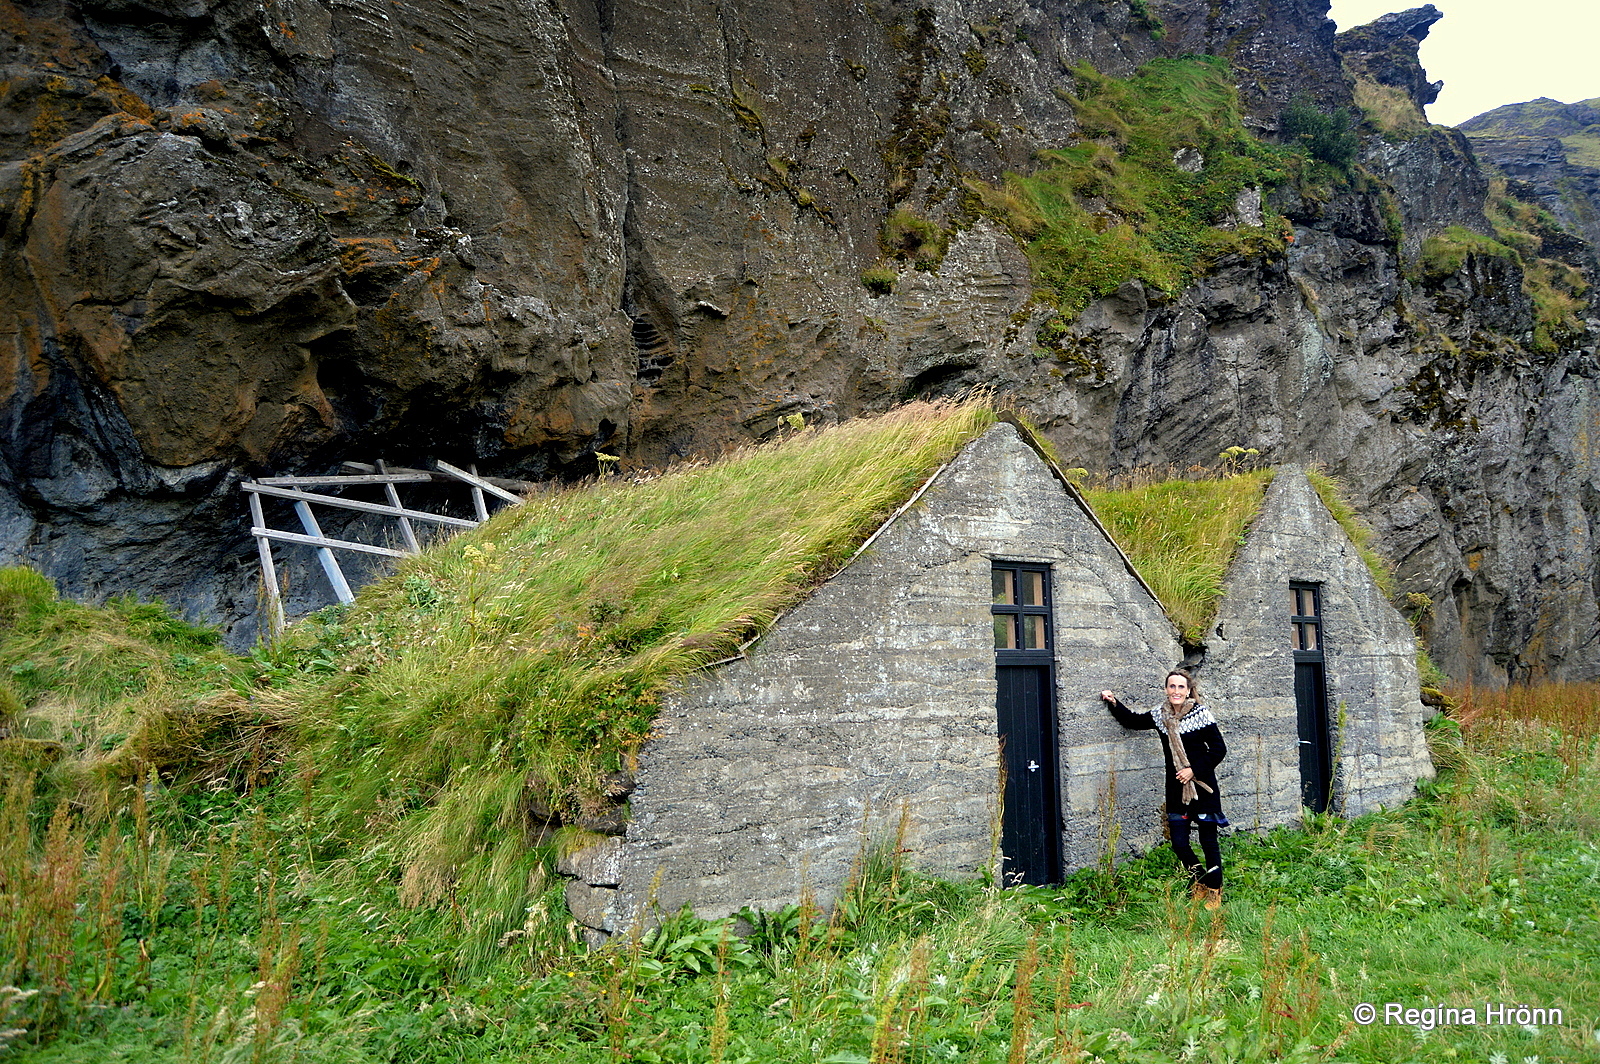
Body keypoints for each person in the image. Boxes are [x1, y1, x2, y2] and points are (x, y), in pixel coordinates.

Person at [1100, 669, 1228, 908]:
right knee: (1179, 843)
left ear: (1188, 690)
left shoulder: (1201, 714)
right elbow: (1133, 721)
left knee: (1208, 842)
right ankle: (1199, 880)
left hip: (1203, 788)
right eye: (1172, 687)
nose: (1176, 691)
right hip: (1176, 789)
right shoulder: (1161, 716)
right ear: (1166, 689)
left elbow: (1219, 749)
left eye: (1181, 687)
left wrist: (1193, 770)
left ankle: (1214, 890)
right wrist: (1114, 702)